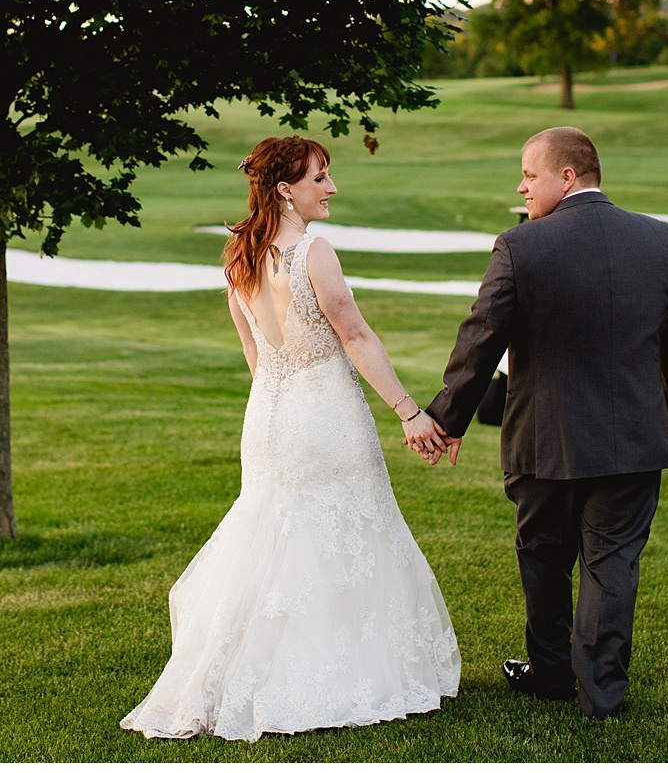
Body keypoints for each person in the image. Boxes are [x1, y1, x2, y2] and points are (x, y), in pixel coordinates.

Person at [121, 135, 460, 742]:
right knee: (343, 532)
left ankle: (239, 671)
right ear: (285, 188)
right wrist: (408, 411)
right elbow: (354, 337)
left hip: (268, 417)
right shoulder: (313, 252)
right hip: (324, 412)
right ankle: (335, 674)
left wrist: (279, 401)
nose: (330, 188)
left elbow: (255, 354)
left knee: (274, 535)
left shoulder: (238, 256)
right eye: (320, 177)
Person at [407, 126, 668, 721]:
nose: (522, 186)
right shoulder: (657, 240)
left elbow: (479, 342)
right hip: (631, 444)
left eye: (528, 174)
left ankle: (548, 674)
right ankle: (602, 696)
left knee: (543, 554)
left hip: (544, 443)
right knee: (612, 562)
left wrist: (447, 420)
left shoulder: (520, 246)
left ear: (566, 176)